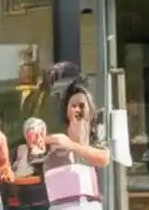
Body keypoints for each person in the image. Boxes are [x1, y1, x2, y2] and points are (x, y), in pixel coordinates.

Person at [43, 82, 111, 210]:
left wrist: (71, 146)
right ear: (67, 112)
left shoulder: (96, 142)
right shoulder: (57, 140)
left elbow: (103, 158)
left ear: (90, 111)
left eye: (81, 106)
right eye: (73, 106)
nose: (77, 110)